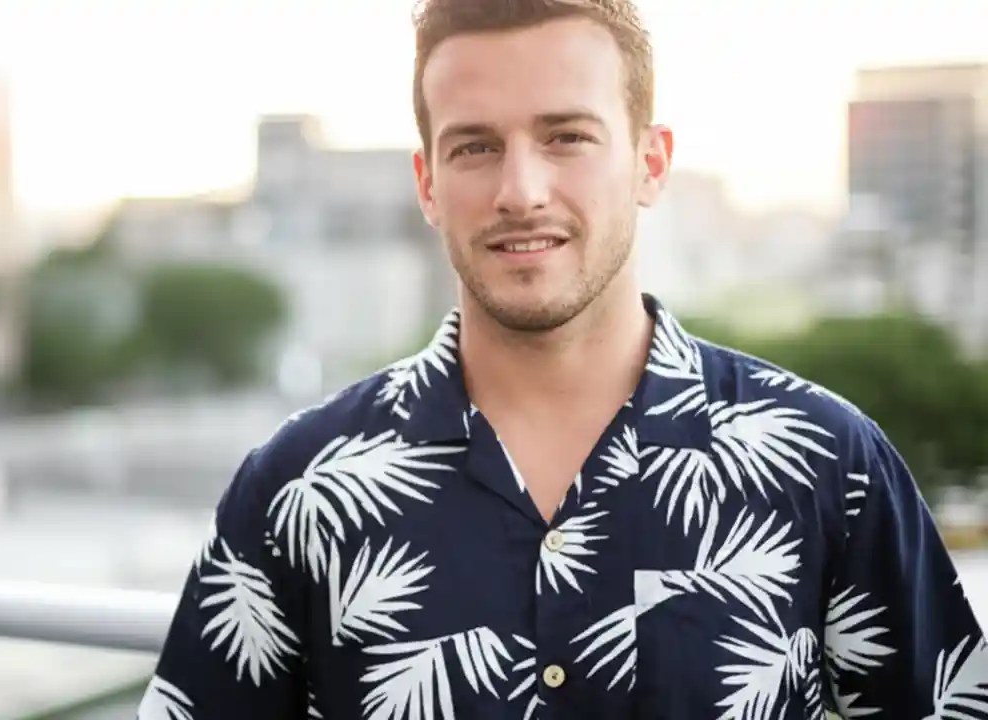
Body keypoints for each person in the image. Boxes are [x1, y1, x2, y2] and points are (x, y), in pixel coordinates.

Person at [138, 0, 988, 717]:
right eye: (474, 146)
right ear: (427, 183)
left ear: (650, 163)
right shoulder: (298, 489)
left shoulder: (826, 464)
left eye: (567, 137)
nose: (521, 190)